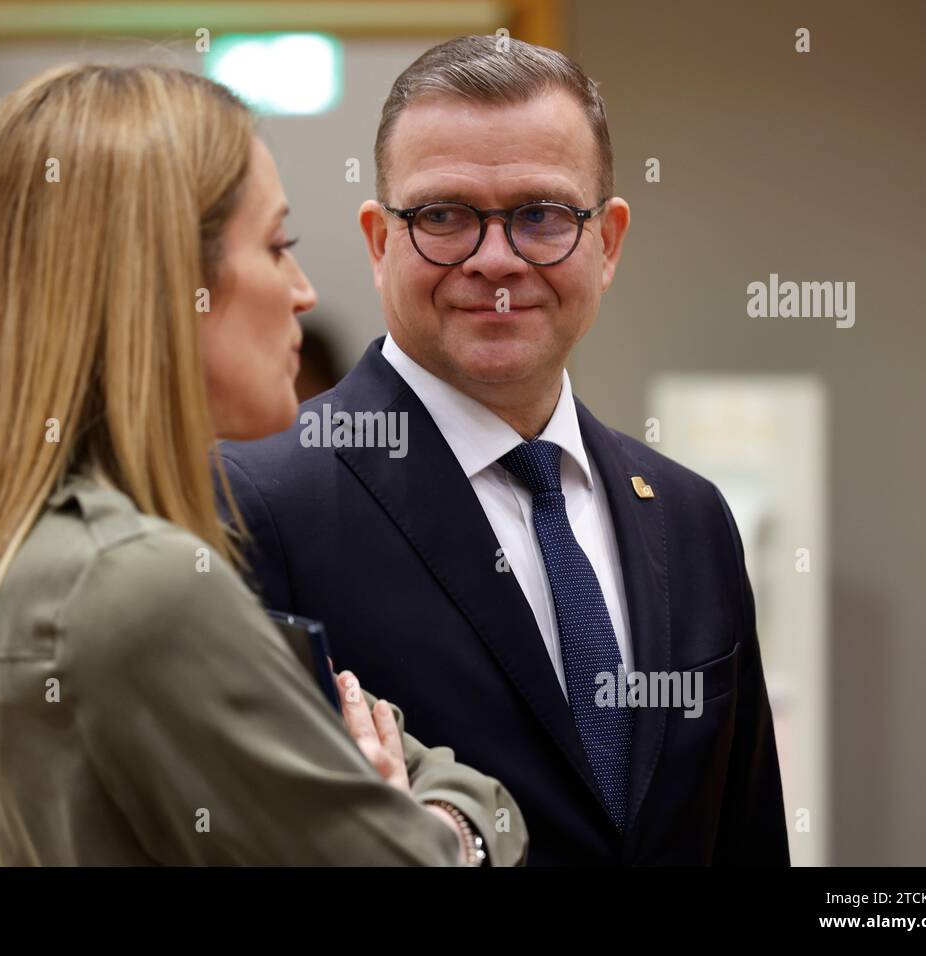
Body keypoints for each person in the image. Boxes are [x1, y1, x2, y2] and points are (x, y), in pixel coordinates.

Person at [0, 62, 527, 866]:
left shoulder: (62, 558)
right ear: (164, 282)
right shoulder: (139, 584)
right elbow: (455, 834)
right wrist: (449, 829)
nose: (303, 290)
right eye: (277, 246)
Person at [220, 36, 790, 865]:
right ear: (380, 243)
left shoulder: (690, 516)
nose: (495, 261)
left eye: (541, 216)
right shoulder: (257, 508)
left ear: (610, 242)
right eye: (443, 216)